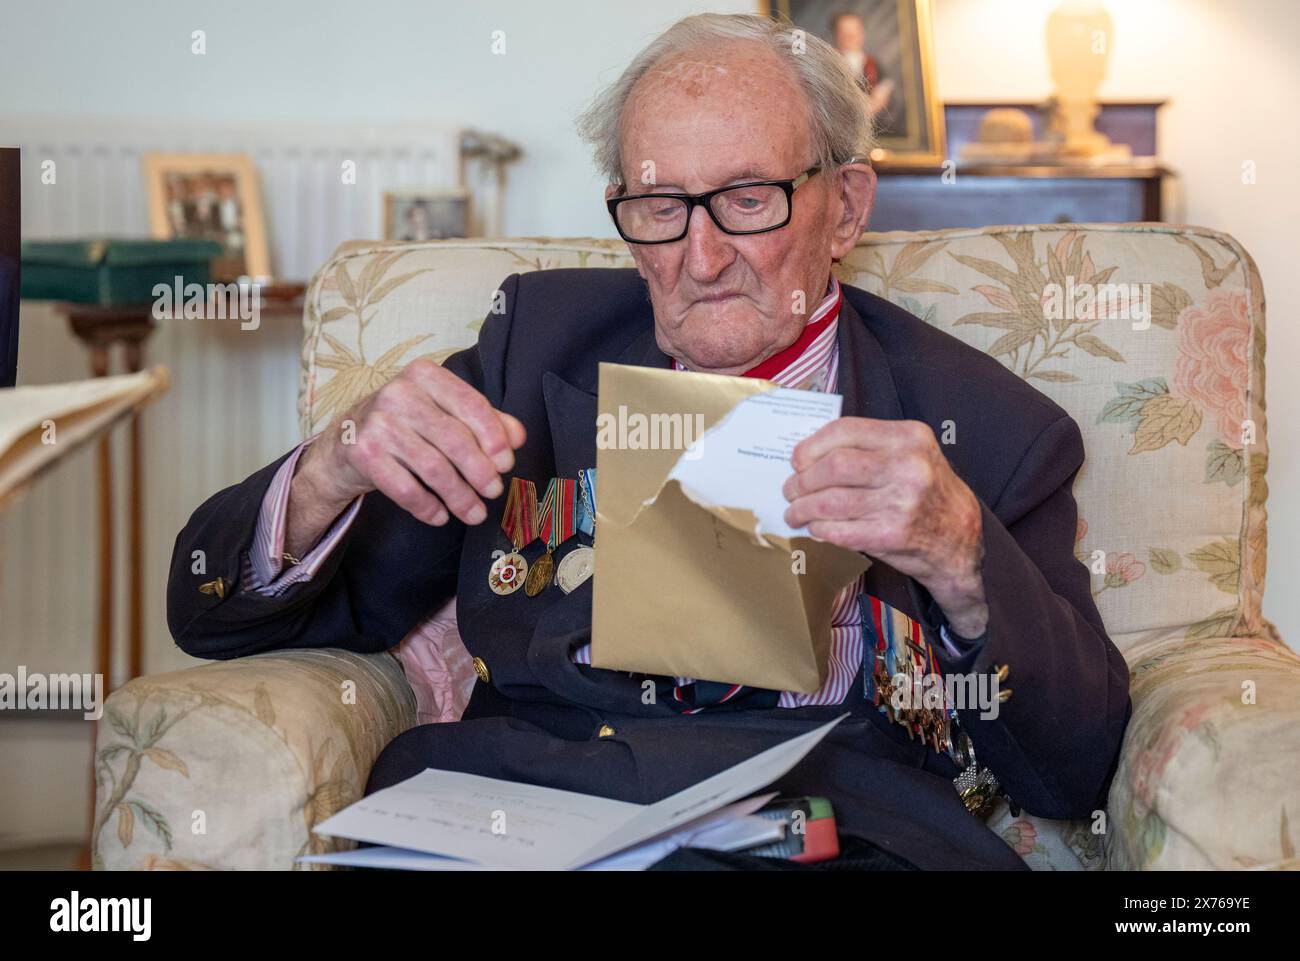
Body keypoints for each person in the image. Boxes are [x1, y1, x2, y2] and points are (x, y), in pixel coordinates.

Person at [167, 13, 1130, 870]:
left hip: (835, 827)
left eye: (748, 198)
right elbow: (214, 612)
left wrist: (964, 558)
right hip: (540, 807)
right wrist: (335, 461)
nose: (699, 258)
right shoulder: (532, 354)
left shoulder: (987, 428)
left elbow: (1075, 767)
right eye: (660, 208)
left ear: (845, 207)